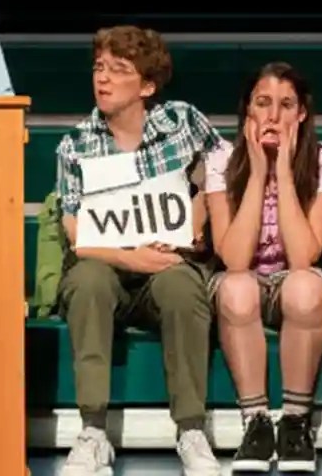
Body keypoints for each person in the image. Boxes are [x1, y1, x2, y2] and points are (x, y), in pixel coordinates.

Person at [54, 26, 226, 476]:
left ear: (147, 86)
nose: (103, 78)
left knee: (179, 284)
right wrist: (131, 257)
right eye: (98, 68)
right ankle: (92, 432)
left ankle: (191, 430)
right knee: (87, 280)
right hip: (107, 264)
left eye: (118, 70)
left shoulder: (183, 122)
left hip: (167, 260)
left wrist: (196, 221)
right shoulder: (75, 144)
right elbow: (77, 232)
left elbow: (220, 173)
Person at [204, 62, 322, 473]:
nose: (273, 116)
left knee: (304, 286)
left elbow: (304, 256)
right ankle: (257, 424)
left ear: (301, 113)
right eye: (262, 103)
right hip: (243, 281)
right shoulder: (221, 159)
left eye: (286, 105)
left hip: (296, 281)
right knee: (236, 286)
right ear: (247, 110)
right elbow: (233, 257)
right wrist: (257, 171)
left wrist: (282, 169)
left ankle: (296, 425)